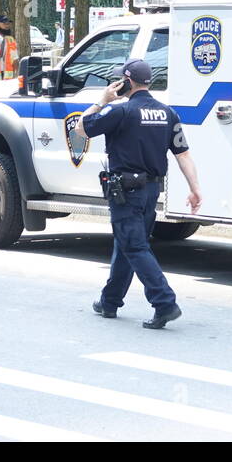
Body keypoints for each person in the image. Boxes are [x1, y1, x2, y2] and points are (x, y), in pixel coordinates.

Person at [81, 58, 202, 329]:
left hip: (125, 192)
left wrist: (102, 100)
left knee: (134, 246)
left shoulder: (120, 112)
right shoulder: (167, 113)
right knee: (126, 245)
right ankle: (109, 301)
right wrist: (195, 188)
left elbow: (81, 128)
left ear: (126, 81)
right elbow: (183, 154)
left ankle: (164, 303)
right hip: (150, 191)